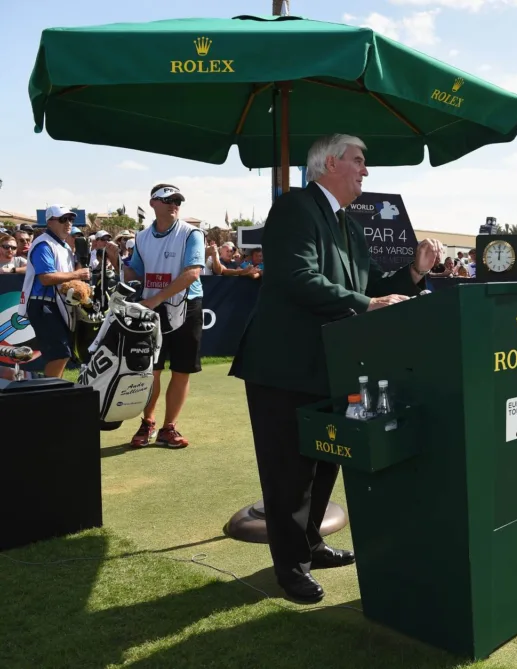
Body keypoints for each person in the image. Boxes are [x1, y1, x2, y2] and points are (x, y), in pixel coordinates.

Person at [229, 134, 444, 604]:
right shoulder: (294, 209)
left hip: (329, 364)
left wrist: (412, 273)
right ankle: (291, 568)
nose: (366, 171)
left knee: (324, 460)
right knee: (288, 473)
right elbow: (299, 279)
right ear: (329, 163)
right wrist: (369, 302)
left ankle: (311, 543)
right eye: (359, 161)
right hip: (282, 368)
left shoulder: (346, 222)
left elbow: (368, 287)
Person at [124, 184, 206, 449]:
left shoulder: (192, 233)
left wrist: (155, 299)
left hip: (185, 305)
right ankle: (147, 422)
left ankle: (168, 427)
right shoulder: (141, 237)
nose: (174, 204)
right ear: (153, 204)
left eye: (177, 200)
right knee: (152, 371)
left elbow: (192, 273)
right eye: (168, 200)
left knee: (181, 370)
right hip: (152, 309)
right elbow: (134, 272)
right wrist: (116, 271)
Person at [18, 205, 93, 378]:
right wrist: (77, 273)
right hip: (42, 303)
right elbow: (46, 278)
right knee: (60, 353)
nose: (68, 223)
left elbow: (71, 278)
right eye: (63, 219)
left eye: (70, 219)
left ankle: (51, 391)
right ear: (50, 222)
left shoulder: (64, 246)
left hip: (58, 304)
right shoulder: (44, 243)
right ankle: (49, 394)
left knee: (62, 353)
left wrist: (82, 260)